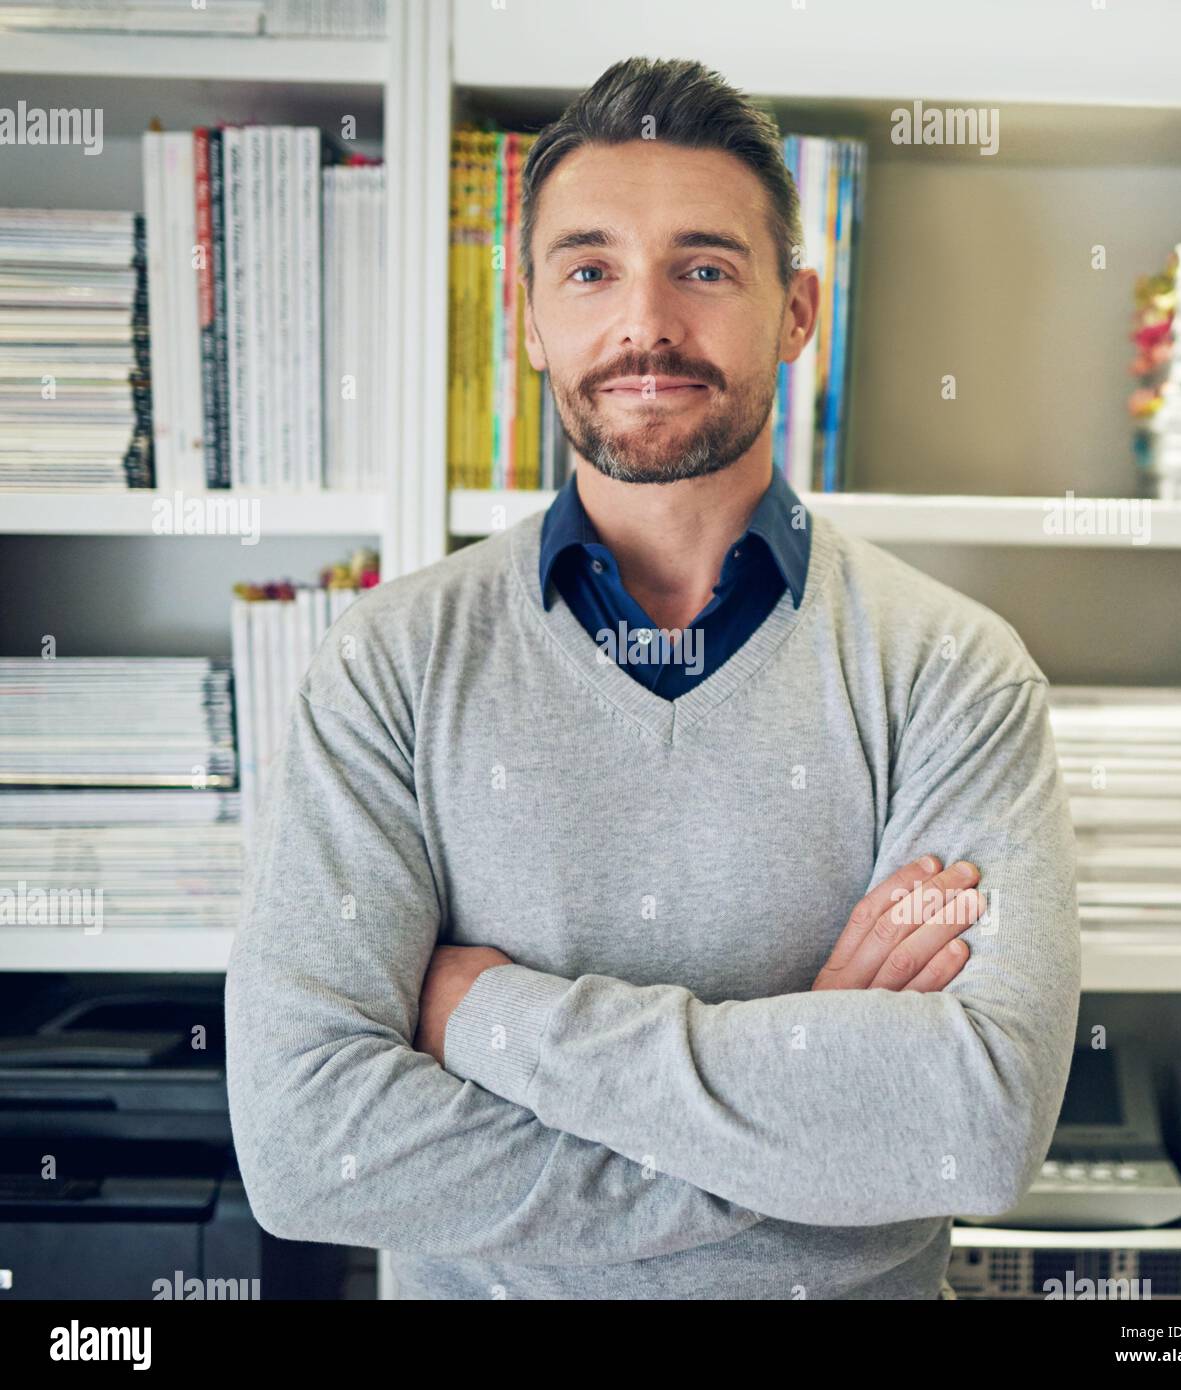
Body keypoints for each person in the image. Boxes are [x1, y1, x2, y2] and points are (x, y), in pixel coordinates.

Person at [224, 55, 1082, 1300]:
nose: (645, 325)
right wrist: (809, 1135)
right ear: (527, 317)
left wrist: (484, 1014)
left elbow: (975, 1126)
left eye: (703, 268)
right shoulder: (388, 664)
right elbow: (310, 1146)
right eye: (590, 270)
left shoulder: (952, 672)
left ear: (796, 311)